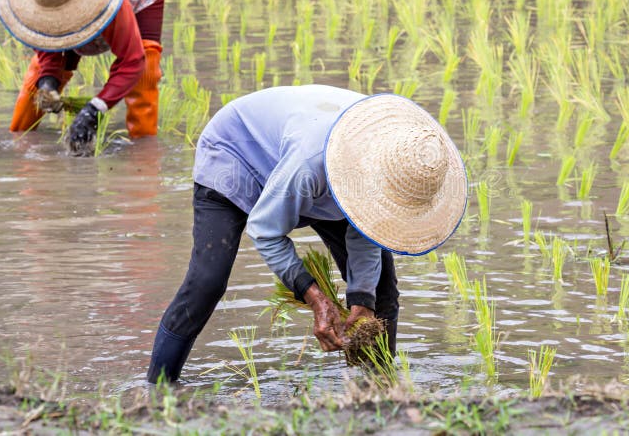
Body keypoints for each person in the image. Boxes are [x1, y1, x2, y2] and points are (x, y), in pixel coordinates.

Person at [146, 84, 468, 383]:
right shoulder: (309, 165)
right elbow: (264, 229)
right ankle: (158, 389)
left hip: (325, 178)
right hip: (236, 155)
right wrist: (315, 297)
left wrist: (361, 301)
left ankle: (380, 392)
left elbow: (368, 231)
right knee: (207, 281)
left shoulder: (390, 158)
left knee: (380, 293)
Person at [0, 0, 165, 154]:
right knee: (39, 76)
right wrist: (48, 83)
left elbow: (132, 61)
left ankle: (144, 152)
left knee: (145, 67)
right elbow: (49, 49)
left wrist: (95, 110)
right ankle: (19, 137)